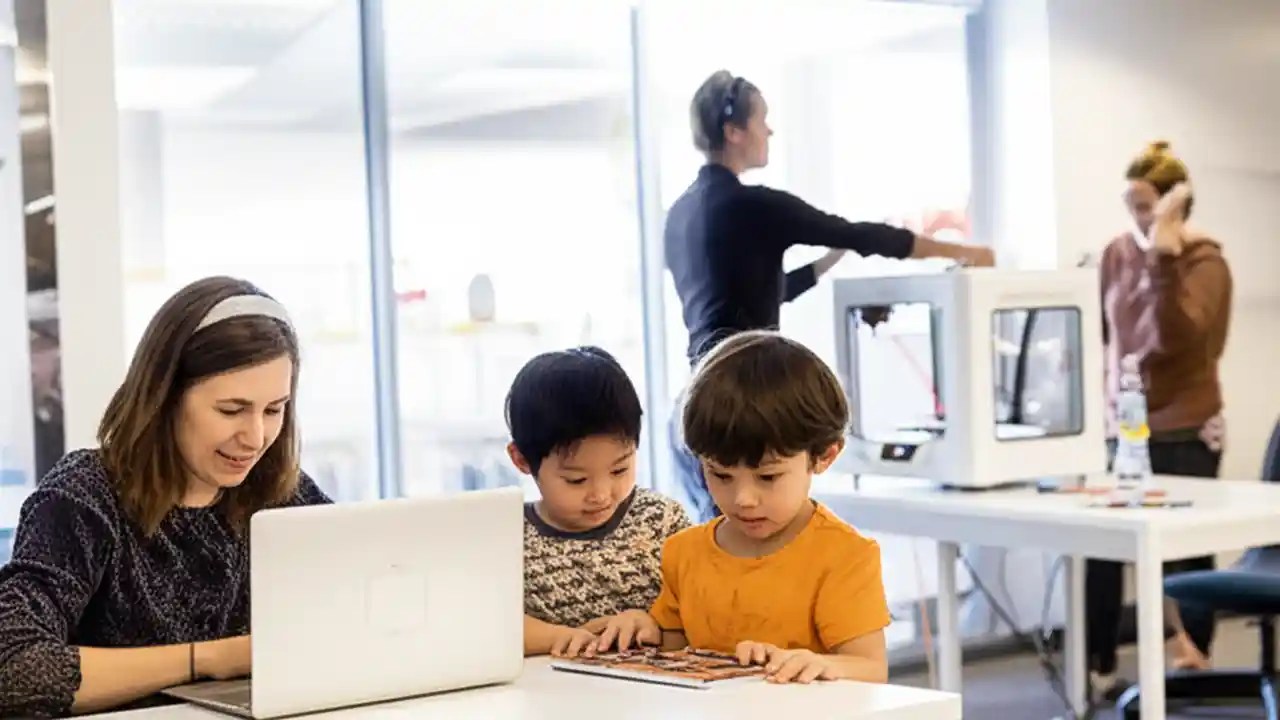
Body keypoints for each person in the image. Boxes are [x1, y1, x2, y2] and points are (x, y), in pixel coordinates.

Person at [665, 70, 995, 520]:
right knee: (748, 559)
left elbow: (757, 292)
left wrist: (828, 261)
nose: (771, 131)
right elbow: (860, 234)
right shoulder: (755, 206)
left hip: (689, 406)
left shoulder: (680, 214)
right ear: (734, 131)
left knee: (714, 552)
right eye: (763, 120)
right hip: (736, 402)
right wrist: (964, 251)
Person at [0, 276, 332, 717]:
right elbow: (15, 669)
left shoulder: (279, 492)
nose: (255, 437)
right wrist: (210, 660)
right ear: (165, 397)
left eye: (274, 410)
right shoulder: (83, 498)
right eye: (231, 410)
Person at [597, 331, 891, 684]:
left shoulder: (843, 557)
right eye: (720, 475)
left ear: (824, 455)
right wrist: (645, 629)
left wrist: (823, 666)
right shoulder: (684, 553)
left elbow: (871, 670)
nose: (742, 499)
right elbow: (674, 660)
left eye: (767, 477)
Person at [1086, 141, 1233, 699]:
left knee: (1187, 552)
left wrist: (1165, 257)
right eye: (1129, 205)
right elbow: (1108, 336)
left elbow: (1172, 339)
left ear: (1174, 205)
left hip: (1185, 426)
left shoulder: (1204, 262)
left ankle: (1195, 658)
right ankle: (1098, 666)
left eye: (1146, 206)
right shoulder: (1116, 254)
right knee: (1101, 547)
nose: (1135, 219)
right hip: (1123, 427)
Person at [507, 347, 690, 658]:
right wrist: (562, 637)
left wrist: (656, 625)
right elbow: (481, 624)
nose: (602, 495)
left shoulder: (661, 521)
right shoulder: (509, 537)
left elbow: (703, 611)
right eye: (576, 480)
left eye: (620, 469)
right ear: (522, 460)